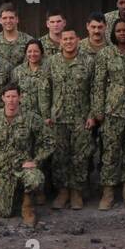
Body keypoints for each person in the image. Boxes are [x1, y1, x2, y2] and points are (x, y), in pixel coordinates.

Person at [0, 85, 52, 227]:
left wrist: (36, 161)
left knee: (35, 178)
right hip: (3, 169)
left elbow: (49, 141)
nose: (11, 100)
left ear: (20, 98)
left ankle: (28, 206)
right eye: (8, 97)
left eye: (14, 96)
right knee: (4, 212)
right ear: (3, 98)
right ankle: (12, 196)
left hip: (23, 166)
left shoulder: (31, 118)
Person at [94, 18, 125, 209]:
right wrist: (98, 110)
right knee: (110, 153)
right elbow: (98, 83)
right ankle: (108, 192)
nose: (122, 33)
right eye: (118, 31)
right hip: (112, 110)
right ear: (113, 34)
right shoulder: (106, 53)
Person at [44, 28, 95, 210]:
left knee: (80, 156)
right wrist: (46, 115)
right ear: (60, 42)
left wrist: (92, 115)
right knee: (59, 157)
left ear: (78, 40)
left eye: (71, 38)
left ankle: (76, 191)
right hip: (58, 117)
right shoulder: (52, 62)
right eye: (65, 39)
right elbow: (45, 89)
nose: (68, 42)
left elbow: (94, 90)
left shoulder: (88, 61)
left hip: (81, 117)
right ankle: (63, 191)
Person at [11, 38, 52, 126]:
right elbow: (13, 94)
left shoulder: (49, 70)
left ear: (41, 52)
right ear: (26, 53)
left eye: (36, 51)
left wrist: (48, 116)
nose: (32, 54)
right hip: (23, 117)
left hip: (44, 117)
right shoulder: (17, 71)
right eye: (29, 51)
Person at [0, 2, 33, 67]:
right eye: (4, 18)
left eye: (11, 18)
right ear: (0, 20)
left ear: (17, 19)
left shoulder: (28, 41)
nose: (8, 21)